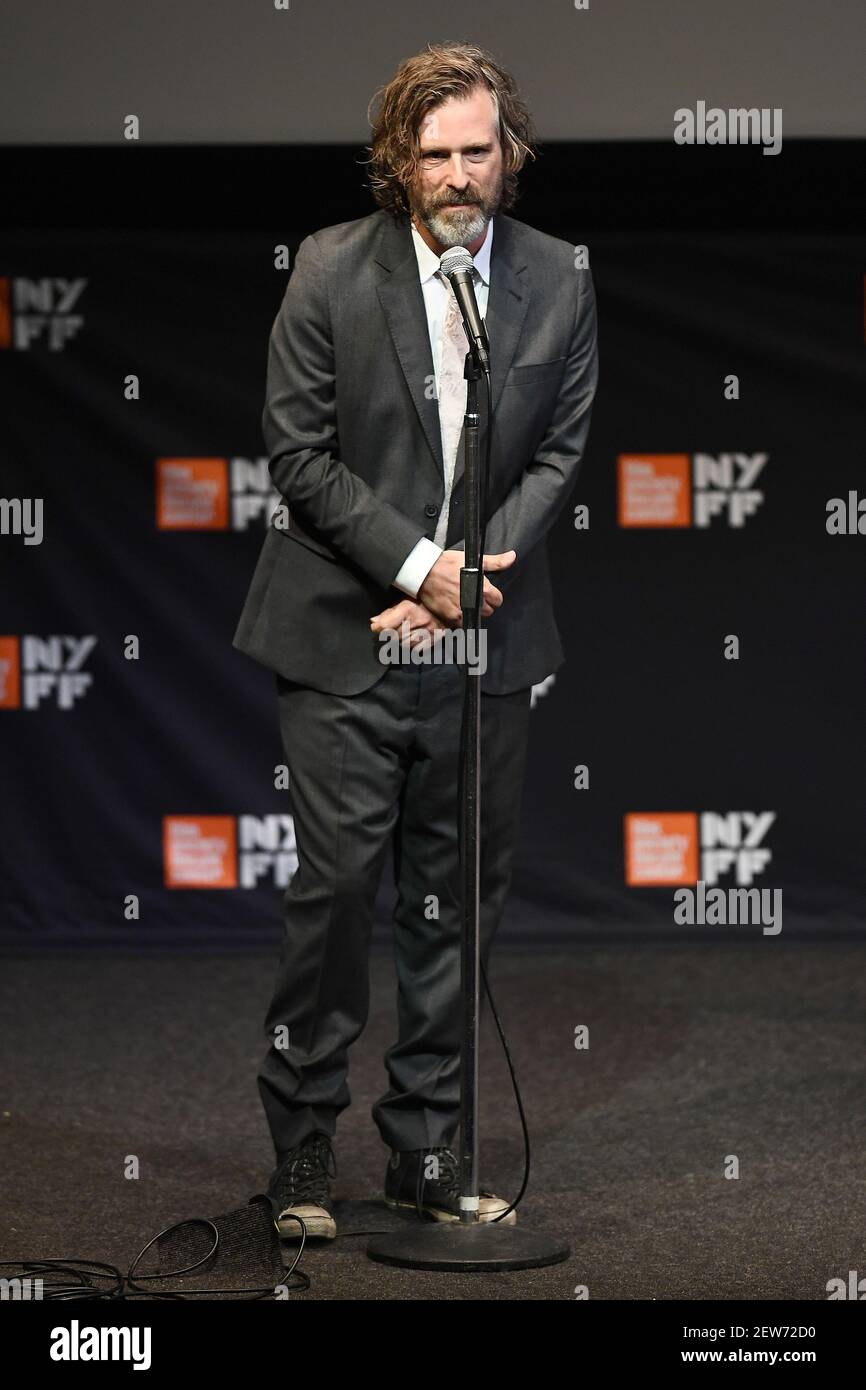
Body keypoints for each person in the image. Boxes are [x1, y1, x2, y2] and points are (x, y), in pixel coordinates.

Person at [233, 40, 598, 1239]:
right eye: (433, 154)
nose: (456, 176)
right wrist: (416, 568)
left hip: (480, 642)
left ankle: (427, 1154)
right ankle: (300, 1149)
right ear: (399, 160)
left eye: (476, 151)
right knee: (335, 897)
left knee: (453, 908)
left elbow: (555, 453)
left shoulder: (555, 275)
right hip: (348, 637)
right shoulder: (332, 270)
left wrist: (467, 577)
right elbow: (298, 456)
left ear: (510, 153)